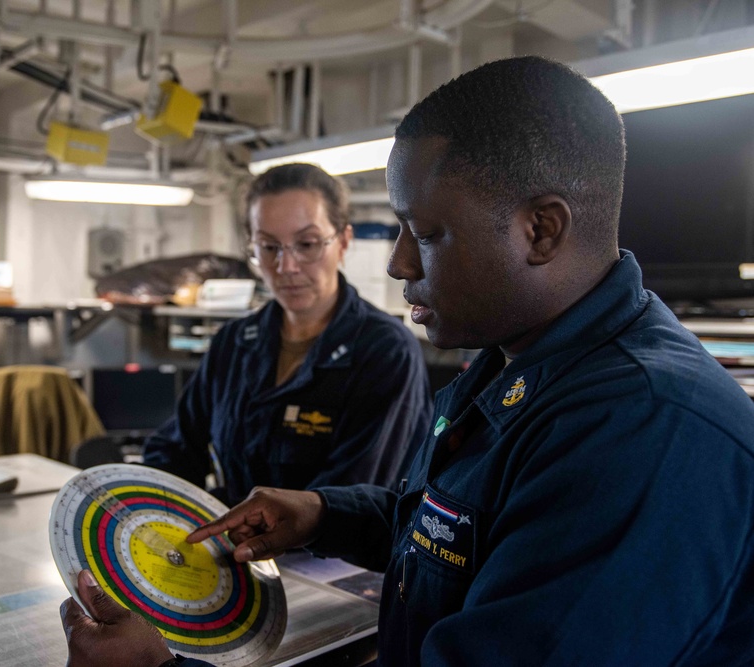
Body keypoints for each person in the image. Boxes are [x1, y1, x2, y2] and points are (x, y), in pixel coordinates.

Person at [61, 56, 754, 666]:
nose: (395, 262)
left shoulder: (642, 432)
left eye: (424, 233)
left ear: (539, 229)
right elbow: (441, 525)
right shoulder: (509, 362)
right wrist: (322, 513)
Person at [142, 162, 433, 507]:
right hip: (236, 547)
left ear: (343, 242)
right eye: (268, 247)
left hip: (334, 558)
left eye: (307, 244)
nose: (287, 267)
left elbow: (356, 496)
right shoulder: (234, 343)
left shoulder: (385, 352)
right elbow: (176, 448)